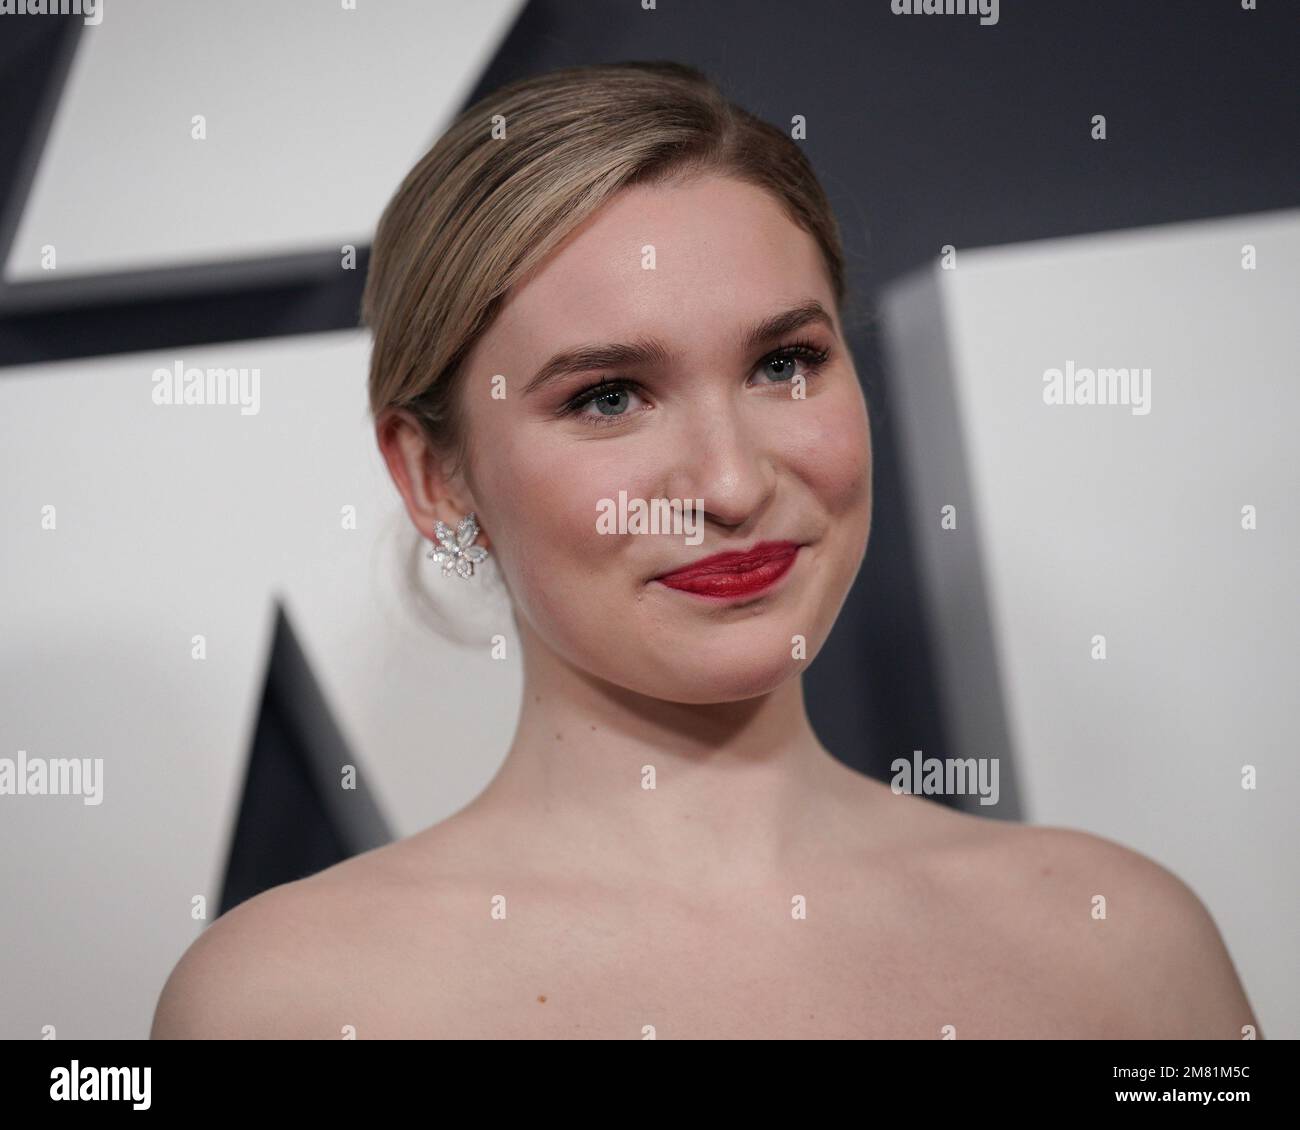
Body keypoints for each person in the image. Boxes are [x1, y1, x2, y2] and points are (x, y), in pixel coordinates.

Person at [151, 61, 1259, 1039]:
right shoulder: (287, 1004)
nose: (730, 485)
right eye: (609, 395)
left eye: (783, 363)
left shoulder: (1122, 943)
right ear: (435, 475)